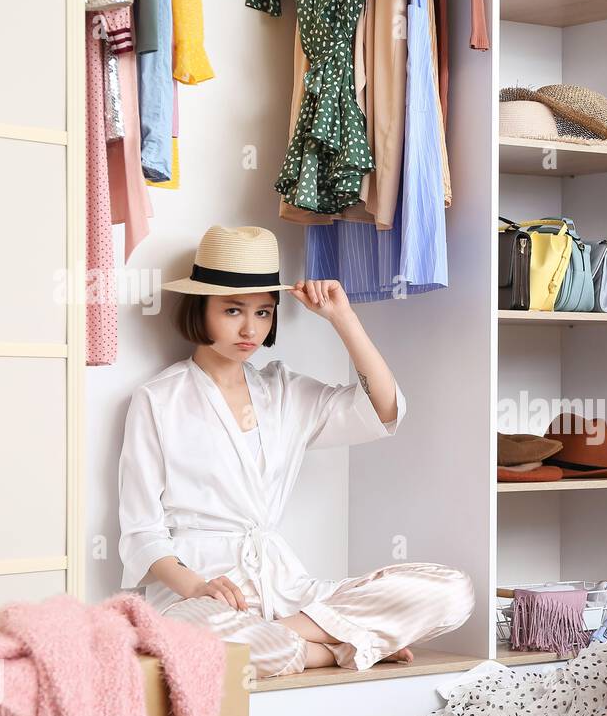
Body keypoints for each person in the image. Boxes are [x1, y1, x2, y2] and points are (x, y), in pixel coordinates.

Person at [117, 225, 473, 678]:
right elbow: (142, 532)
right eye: (232, 310)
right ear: (199, 308)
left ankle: (293, 636)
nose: (251, 328)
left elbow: (384, 410)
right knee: (233, 645)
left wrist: (343, 317)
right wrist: (200, 586)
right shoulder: (158, 398)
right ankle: (346, 644)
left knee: (452, 591)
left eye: (264, 313)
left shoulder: (284, 391)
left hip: (285, 589)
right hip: (198, 598)